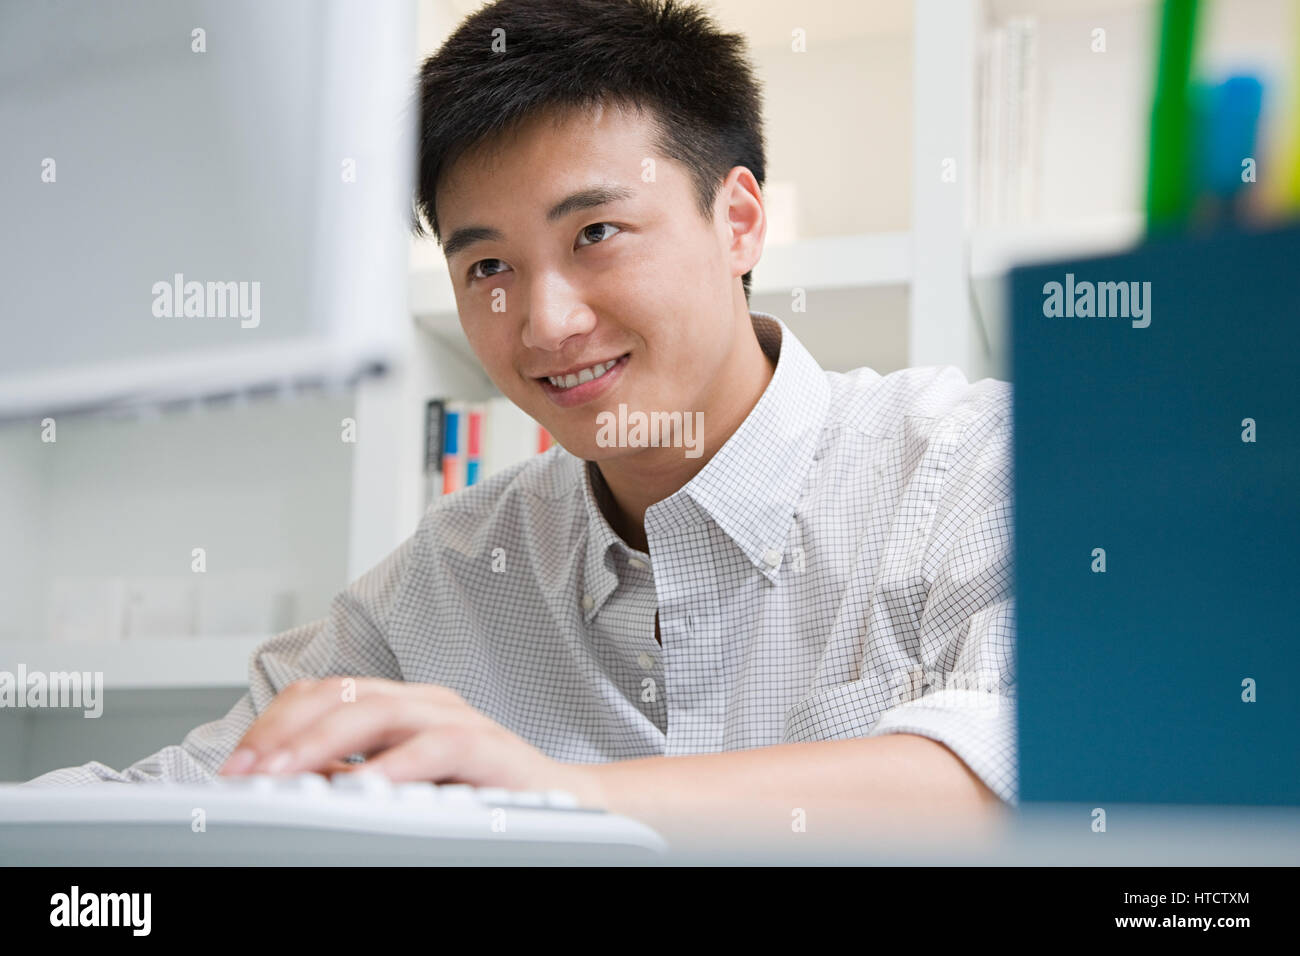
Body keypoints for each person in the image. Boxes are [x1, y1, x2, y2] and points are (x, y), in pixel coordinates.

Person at [25, 0, 1016, 842]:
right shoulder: (446, 577)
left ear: (738, 220)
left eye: (596, 233)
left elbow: (1026, 774)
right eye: (487, 266)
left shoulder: (972, 464)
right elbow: (188, 801)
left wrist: (559, 799)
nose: (547, 323)